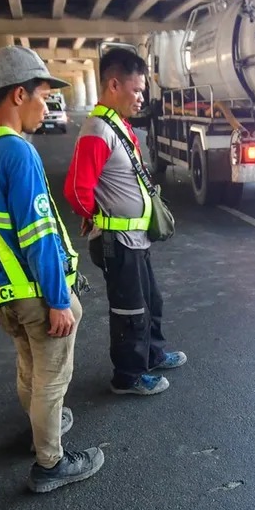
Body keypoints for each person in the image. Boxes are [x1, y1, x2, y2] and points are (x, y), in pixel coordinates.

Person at [0, 45, 104, 494]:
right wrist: (59, 301)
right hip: (37, 292)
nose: (47, 105)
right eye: (43, 95)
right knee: (51, 379)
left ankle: (41, 429)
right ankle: (50, 463)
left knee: (29, 366)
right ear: (19, 95)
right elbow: (38, 236)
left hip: (3, 290)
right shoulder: (17, 153)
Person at [64, 48, 186, 397]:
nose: (141, 98)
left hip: (135, 239)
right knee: (129, 309)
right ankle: (128, 376)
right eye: (136, 90)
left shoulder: (115, 124)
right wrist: (96, 217)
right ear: (114, 84)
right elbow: (76, 189)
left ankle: (151, 354)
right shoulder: (97, 130)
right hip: (118, 241)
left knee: (151, 301)